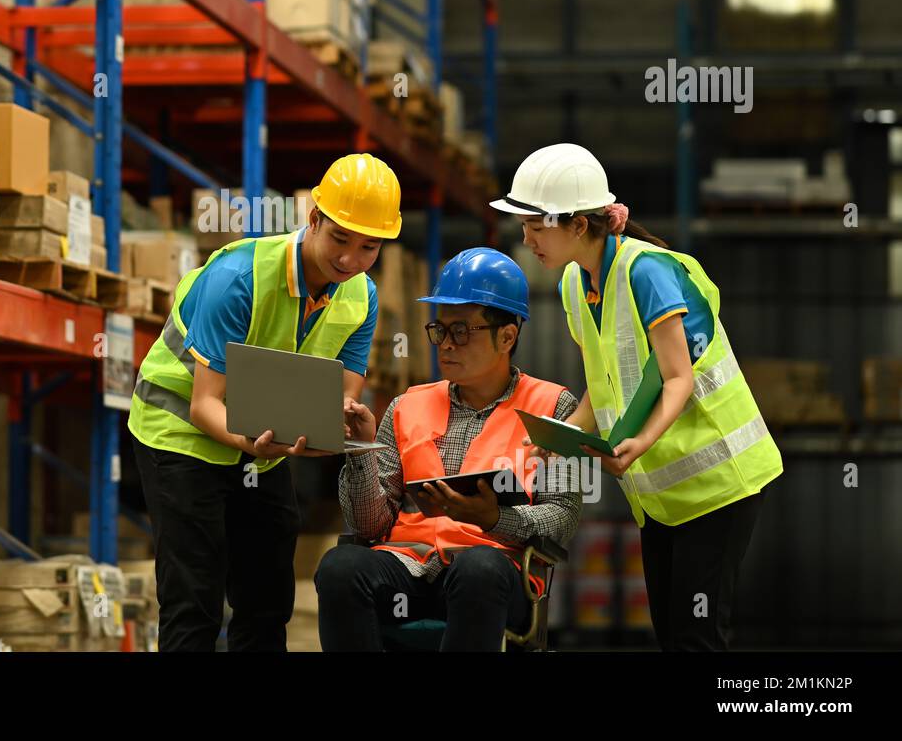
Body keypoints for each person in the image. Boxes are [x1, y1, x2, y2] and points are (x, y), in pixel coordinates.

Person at [493, 142, 783, 651]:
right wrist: (556, 438)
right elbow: (603, 392)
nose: (527, 240)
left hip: (720, 486)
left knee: (697, 637)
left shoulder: (647, 272)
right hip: (661, 500)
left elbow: (678, 379)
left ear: (578, 226)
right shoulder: (574, 285)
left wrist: (639, 442)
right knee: (672, 636)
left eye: (536, 228)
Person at [129, 153, 402, 651]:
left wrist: (342, 434)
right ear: (314, 218)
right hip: (180, 431)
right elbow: (204, 405)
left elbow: (338, 404)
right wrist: (253, 442)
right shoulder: (240, 278)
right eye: (340, 238)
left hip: (264, 439)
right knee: (194, 600)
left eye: (369, 247)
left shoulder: (361, 297)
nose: (350, 259)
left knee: (267, 597)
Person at [315, 248, 582, 651]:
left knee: (478, 569)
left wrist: (495, 518)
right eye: (440, 330)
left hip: (493, 570)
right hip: (409, 564)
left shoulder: (556, 408)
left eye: (461, 331)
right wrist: (359, 451)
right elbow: (369, 527)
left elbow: (562, 518)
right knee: (340, 567)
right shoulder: (407, 405)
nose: (446, 345)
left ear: (507, 336)